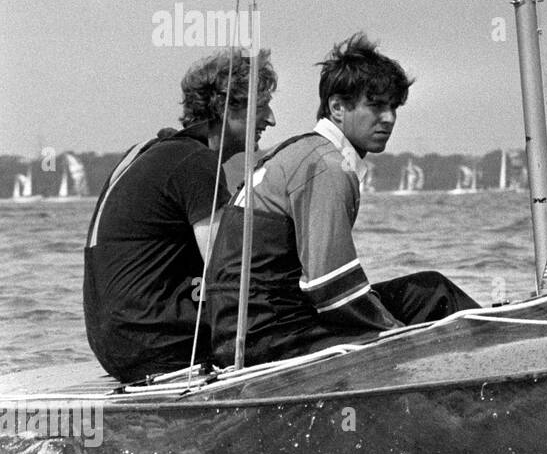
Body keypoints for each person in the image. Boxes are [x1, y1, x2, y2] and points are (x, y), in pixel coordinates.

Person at [205, 33, 476, 367]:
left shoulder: (305, 151)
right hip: (270, 337)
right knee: (427, 308)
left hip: (244, 327)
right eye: (376, 106)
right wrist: (400, 335)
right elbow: (331, 289)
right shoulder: (325, 166)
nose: (389, 118)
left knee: (430, 292)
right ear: (336, 107)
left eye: (393, 107)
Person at [83, 50, 277, 383]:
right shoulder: (196, 163)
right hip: (157, 345)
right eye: (261, 106)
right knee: (284, 317)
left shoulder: (142, 153)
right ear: (226, 106)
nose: (271, 119)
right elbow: (229, 273)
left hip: (113, 346)